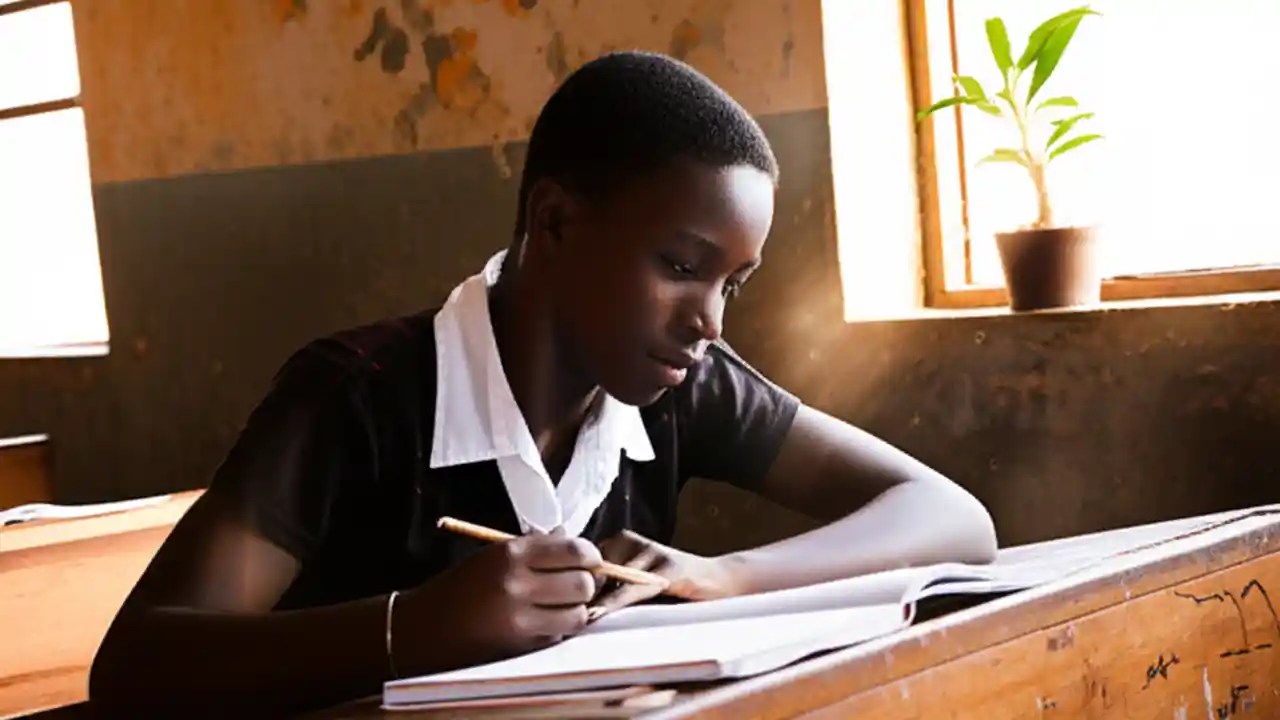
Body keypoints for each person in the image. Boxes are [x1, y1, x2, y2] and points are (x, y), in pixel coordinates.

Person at [88, 51, 996, 715]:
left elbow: (952, 517)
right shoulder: (353, 397)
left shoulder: (681, 383)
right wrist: (412, 630)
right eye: (683, 265)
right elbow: (138, 666)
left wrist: (727, 577)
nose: (711, 320)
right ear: (554, 223)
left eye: (733, 284)